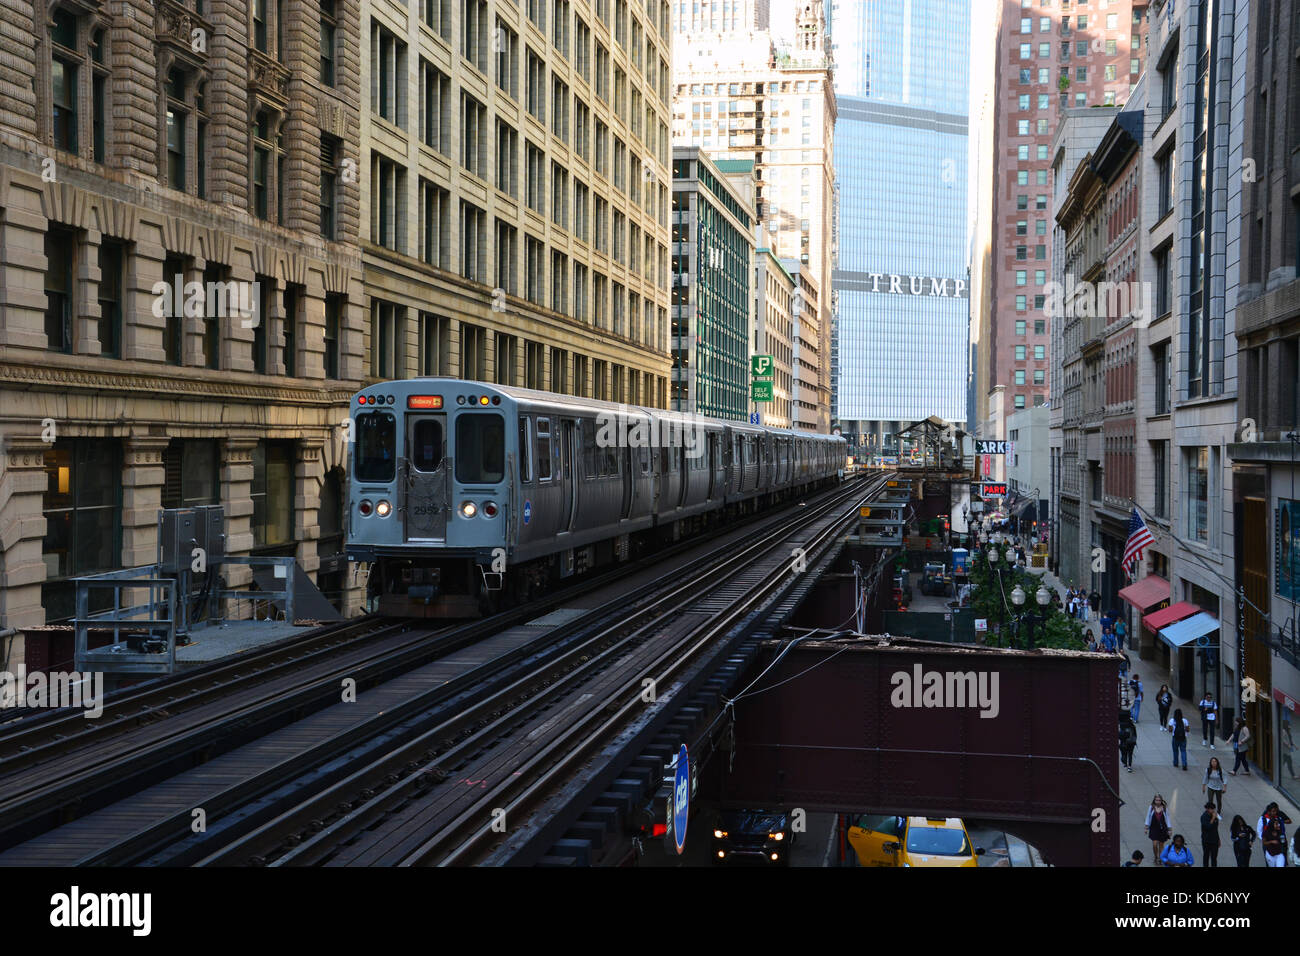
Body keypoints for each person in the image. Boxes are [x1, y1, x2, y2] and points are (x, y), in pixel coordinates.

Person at [1145, 794, 1172, 860]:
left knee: (1161, 845)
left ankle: (1160, 858)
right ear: (1154, 800)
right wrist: (1146, 827)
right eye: (1156, 800)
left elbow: (1168, 818)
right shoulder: (1151, 807)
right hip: (1154, 828)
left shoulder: (1164, 808)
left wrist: (1169, 829)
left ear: (1161, 801)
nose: (1158, 802)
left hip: (1162, 829)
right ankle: (1156, 856)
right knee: (1154, 844)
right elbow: (1148, 817)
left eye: (1159, 800)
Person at [1200, 803, 1221, 868]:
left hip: (1214, 840)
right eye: (1211, 809)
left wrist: (1218, 839)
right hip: (1206, 840)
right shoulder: (1204, 817)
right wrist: (1213, 818)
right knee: (1206, 856)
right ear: (1207, 809)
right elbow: (1207, 827)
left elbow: (1215, 829)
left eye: (1213, 809)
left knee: (1214, 857)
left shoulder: (1215, 816)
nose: (1213, 811)